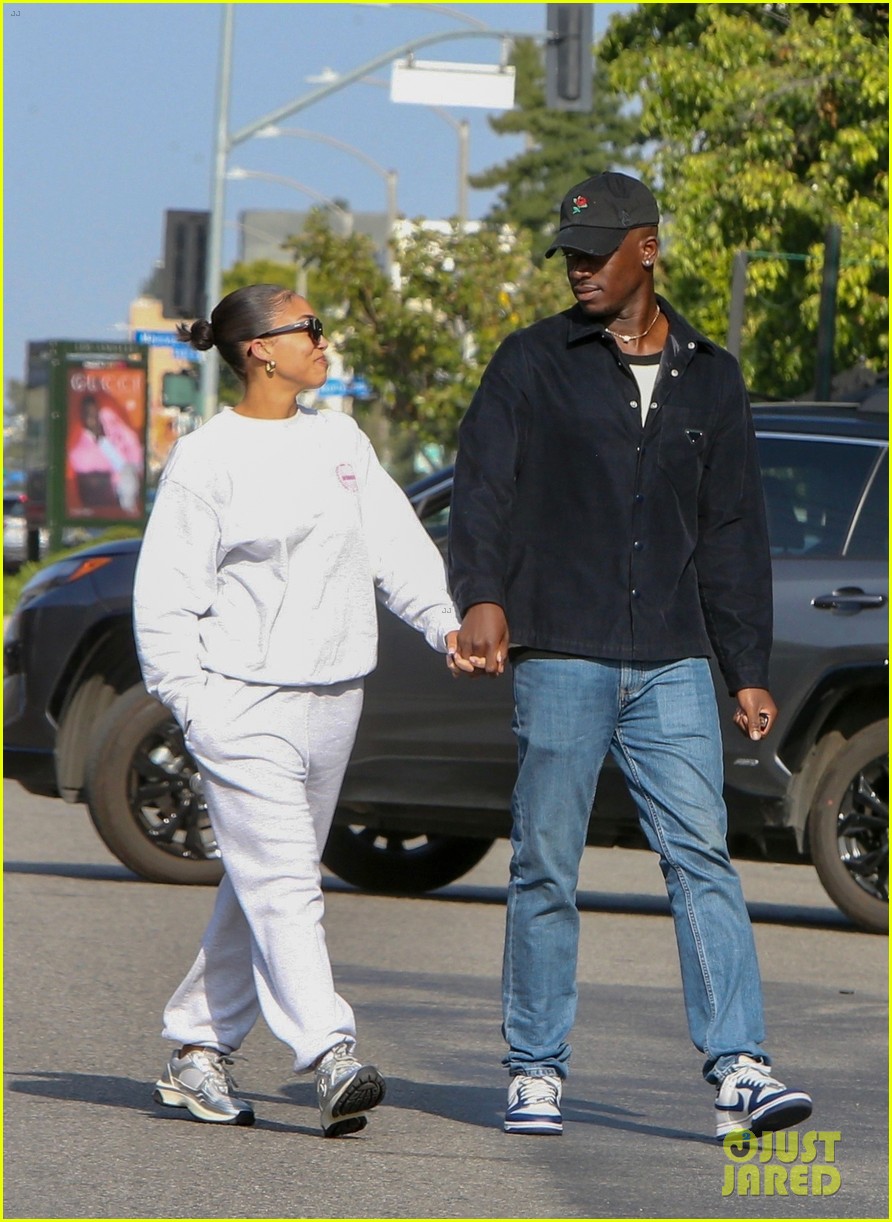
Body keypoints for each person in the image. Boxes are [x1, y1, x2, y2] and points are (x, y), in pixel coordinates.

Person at [448, 172, 813, 1140]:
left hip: (673, 662)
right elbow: (481, 485)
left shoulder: (713, 375)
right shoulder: (531, 363)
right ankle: (534, 1067)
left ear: (645, 249)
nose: (577, 268)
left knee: (701, 854)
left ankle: (739, 1063)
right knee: (545, 864)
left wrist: (746, 665)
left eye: (595, 251)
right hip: (561, 648)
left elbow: (733, 530)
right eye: (567, 253)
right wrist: (481, 596)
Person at [133, 283, 470, 1136]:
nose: (323, 340)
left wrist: (445, 626)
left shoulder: (338, 438)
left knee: (261, 885)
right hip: (242, 703)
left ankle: (195, 1049)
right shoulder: (207, 459)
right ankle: (330, 1053)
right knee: (287, 884)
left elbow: (395, 544)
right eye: (308, 329)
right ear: (259, 351)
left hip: (334, 699)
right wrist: (195, 703)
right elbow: (166, 599)